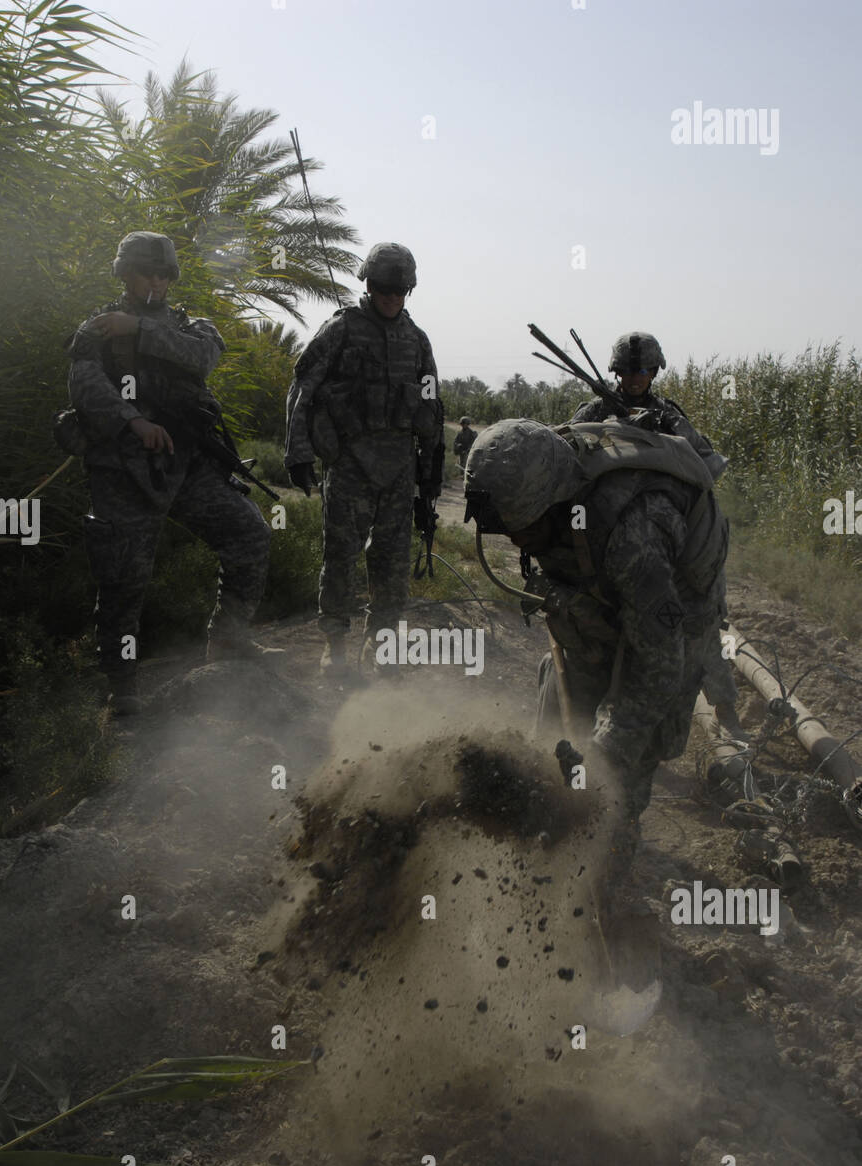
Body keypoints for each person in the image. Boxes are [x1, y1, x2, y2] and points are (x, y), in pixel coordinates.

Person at [464, 416, 730, 911]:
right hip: (606, 593)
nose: (513, 542)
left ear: (553, 504)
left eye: (519, 530)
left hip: (674, 617)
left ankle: (600, 891)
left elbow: (660, 658)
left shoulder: (634, 535)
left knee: (621, 767)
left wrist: (607, 753)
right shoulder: (546, 479)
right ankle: (542, 839)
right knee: (559, 741)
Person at [66, 231, 273, 715]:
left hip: (187, 467)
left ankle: (227, 641)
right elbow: (83, 386)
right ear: (126, 273)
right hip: (124, 471)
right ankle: (123, 688)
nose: (156, 282)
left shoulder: (191, 328)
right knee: (123, 581)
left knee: (250, 535)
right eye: (146, 272)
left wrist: (137, 331)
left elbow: (202, 359)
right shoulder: (95, 330)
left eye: (163, 274)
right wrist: (133, 421)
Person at [283, 242, 442, 675]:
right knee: (341, 556)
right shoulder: (341, 330)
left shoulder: (416, 340)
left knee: (391, 562)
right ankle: (334, 645)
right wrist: (297, 452)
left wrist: (430, 470)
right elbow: (302, 389)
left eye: (399, 289)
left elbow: (430, 407)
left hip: (398, 467)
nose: (390, 296)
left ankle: (382, 643)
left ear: (409, 290)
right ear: (368, 286)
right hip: (351, 462)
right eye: (382, 287)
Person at [572, 331, 740, 731]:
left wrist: (659, 432)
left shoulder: (668, 413)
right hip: (610, 536)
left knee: (703, 614)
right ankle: (585, 724)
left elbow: (704, 459)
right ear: (616, 372)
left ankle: (726, 711)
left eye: (643, 370)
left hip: (671, 534)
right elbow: (567, 453)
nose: (635, 379)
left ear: (654, 372)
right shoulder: (594, 410)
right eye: (628, 371)